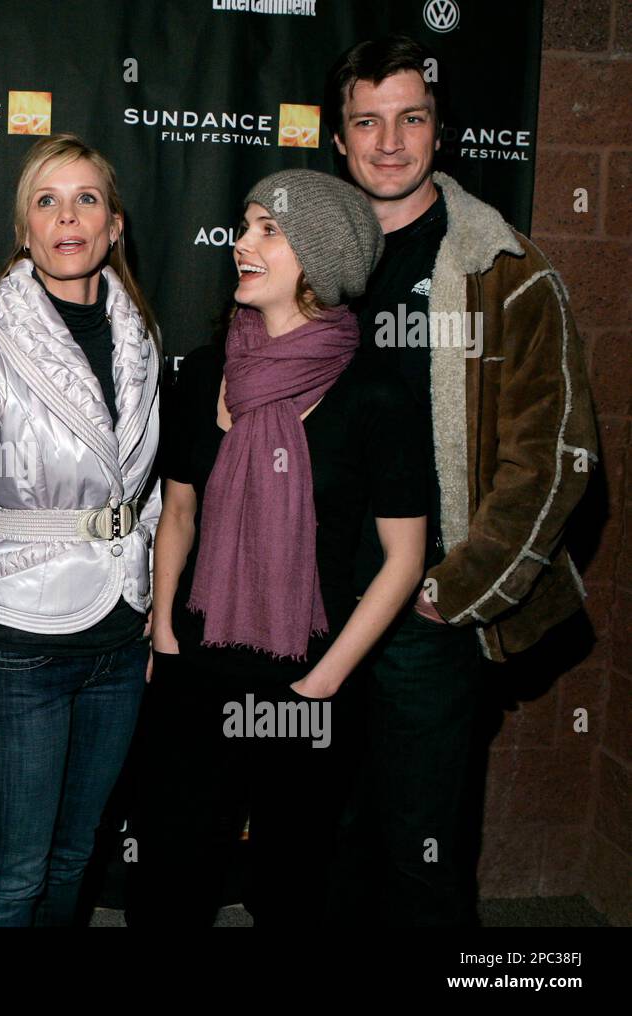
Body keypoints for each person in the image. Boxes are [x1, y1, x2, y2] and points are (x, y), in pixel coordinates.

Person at [326, 35, 598, 926]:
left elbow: (555, 456)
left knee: (422, 859)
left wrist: (457, 590)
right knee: (329, 845)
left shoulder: (501, 267)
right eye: (367, 122)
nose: (390, 141)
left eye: (411, 117)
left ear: (440, 131)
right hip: (313, 601)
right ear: (339, 140)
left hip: (426, 611)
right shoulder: (306, 262)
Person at [134, 170, 426, 927]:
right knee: (172, 873)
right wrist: (165, 631)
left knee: (292, 882)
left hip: (309, 676)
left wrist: (324, 682)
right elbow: (178, 511)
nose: (242, 243)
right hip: (196, 668)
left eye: (269, 229)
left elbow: (404, 559)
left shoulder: (376, 395)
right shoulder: (204, 375)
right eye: (245, 223)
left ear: (320, 259)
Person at [0, 134, 161, 927]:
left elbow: (143, 490)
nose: (67, 215)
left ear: (113, 225)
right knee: (14, 874)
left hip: (119, 636)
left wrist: (149, 604)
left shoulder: (139, 335)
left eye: (86, 198)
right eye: (46, 200)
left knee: (77, 856)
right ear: (24, 230)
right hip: (21, 641)